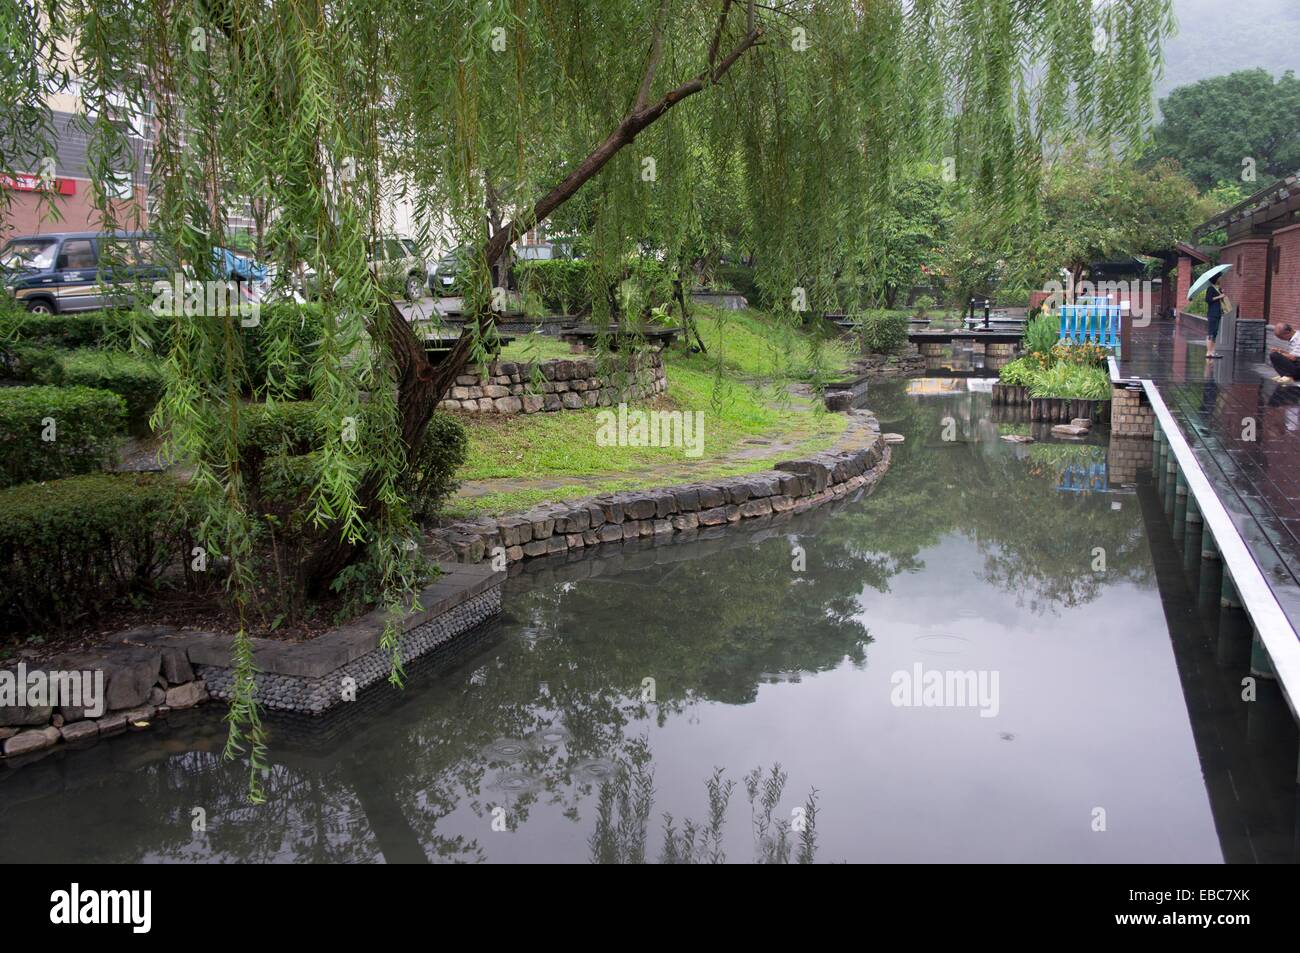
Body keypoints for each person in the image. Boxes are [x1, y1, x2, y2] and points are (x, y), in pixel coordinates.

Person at [1204, 272, 1230, 360]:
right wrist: (1219, 296)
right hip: (1212, 313)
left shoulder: (1218, 289)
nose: (1221, 279)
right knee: (1211, 332)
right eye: (1220, 277)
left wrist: (1221, 294)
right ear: (1216, 279)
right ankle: (1208, 352)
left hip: (1218, 313)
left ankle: (1213, 352)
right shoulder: (1210, 288)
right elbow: (1208, 300)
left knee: (1215, 333)